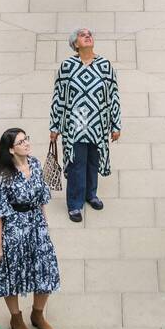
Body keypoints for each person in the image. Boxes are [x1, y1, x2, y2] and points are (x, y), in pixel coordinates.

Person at [0, 128, 60, 329]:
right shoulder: (3, 176)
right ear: (11, 149)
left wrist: (45, 225)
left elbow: (41, 199)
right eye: (21, 142)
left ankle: (37, 314)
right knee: (12, 275)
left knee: (46, 270)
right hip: (15, 229)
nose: (27, 143)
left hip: (36, 225)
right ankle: (16, 319)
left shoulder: (36, 164)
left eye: (26, 139)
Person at [49, 26, 121, 222]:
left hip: (98, 122)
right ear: (75, 44)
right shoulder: (67, 66)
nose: (88, 36)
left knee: (93, 161)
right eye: (82, 35)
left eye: (89, 34)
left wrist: (116, 125)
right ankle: (74, 204)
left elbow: (114, 96)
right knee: (76, 163)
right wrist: (54, 126)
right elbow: (59, 97)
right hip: (75, 124)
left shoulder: (105, 65)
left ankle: (91, 194)